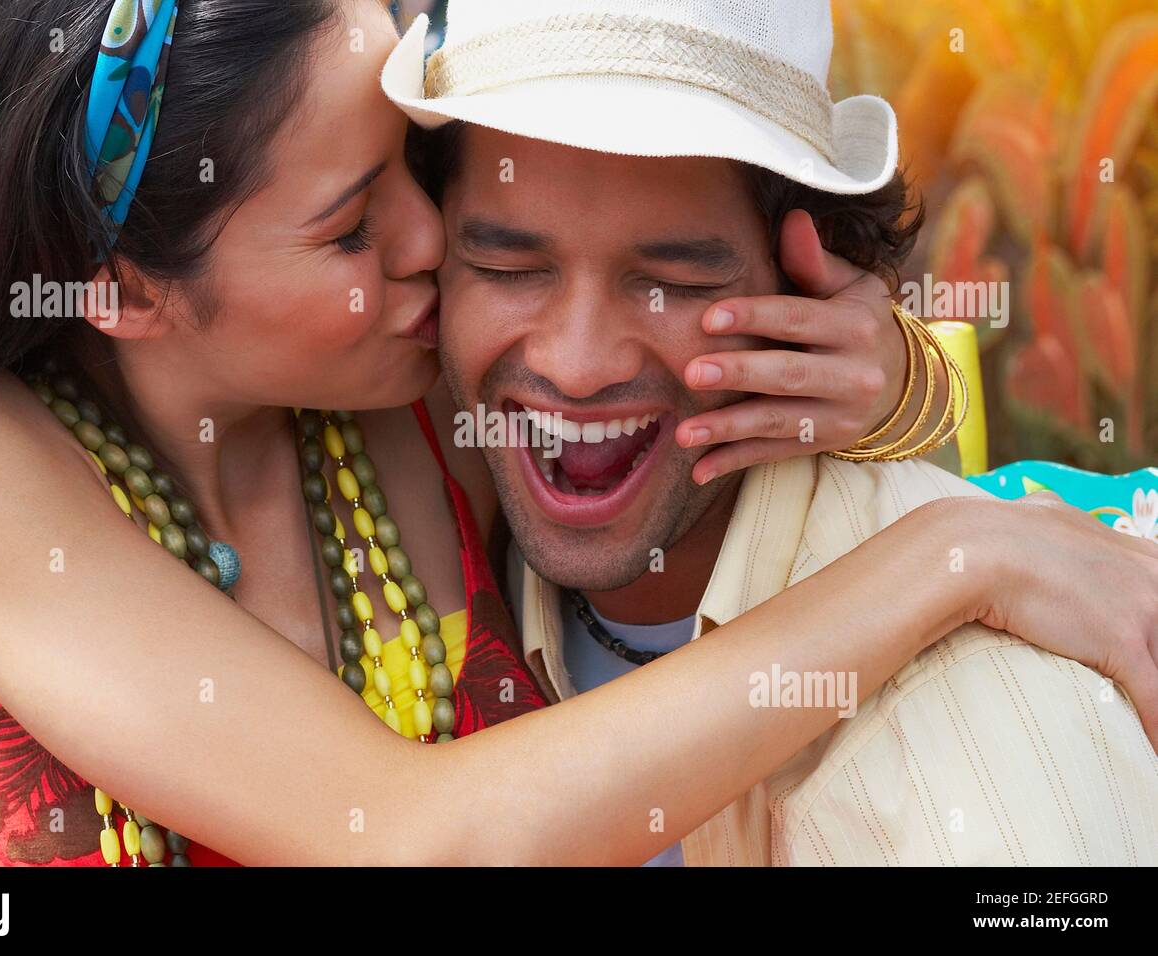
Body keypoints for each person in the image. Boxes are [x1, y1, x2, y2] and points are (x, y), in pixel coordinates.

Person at [0, 0, 1152, 867]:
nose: (430, 251)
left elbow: (689, 356)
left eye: (415, 182)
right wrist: (958, 561)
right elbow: (418, 841)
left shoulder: (410, 392)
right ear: (128, 292)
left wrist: (911, 381)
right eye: (355, 224)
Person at [385, 0, 1158, 865]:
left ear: (806, 281)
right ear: (428, 257)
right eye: (507, 268)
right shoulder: (395, 476)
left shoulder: (977, 746)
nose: (576, 363)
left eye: (673, 284)